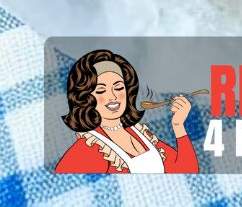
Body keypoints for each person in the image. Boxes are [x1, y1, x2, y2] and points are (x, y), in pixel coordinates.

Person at [53, 48, 198, 174]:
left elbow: (187, 173)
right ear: (85, 98)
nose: (113, 96)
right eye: (101, 90)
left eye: (118, 88)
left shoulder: (140, 134)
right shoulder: (89, 148)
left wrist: (178, 126)